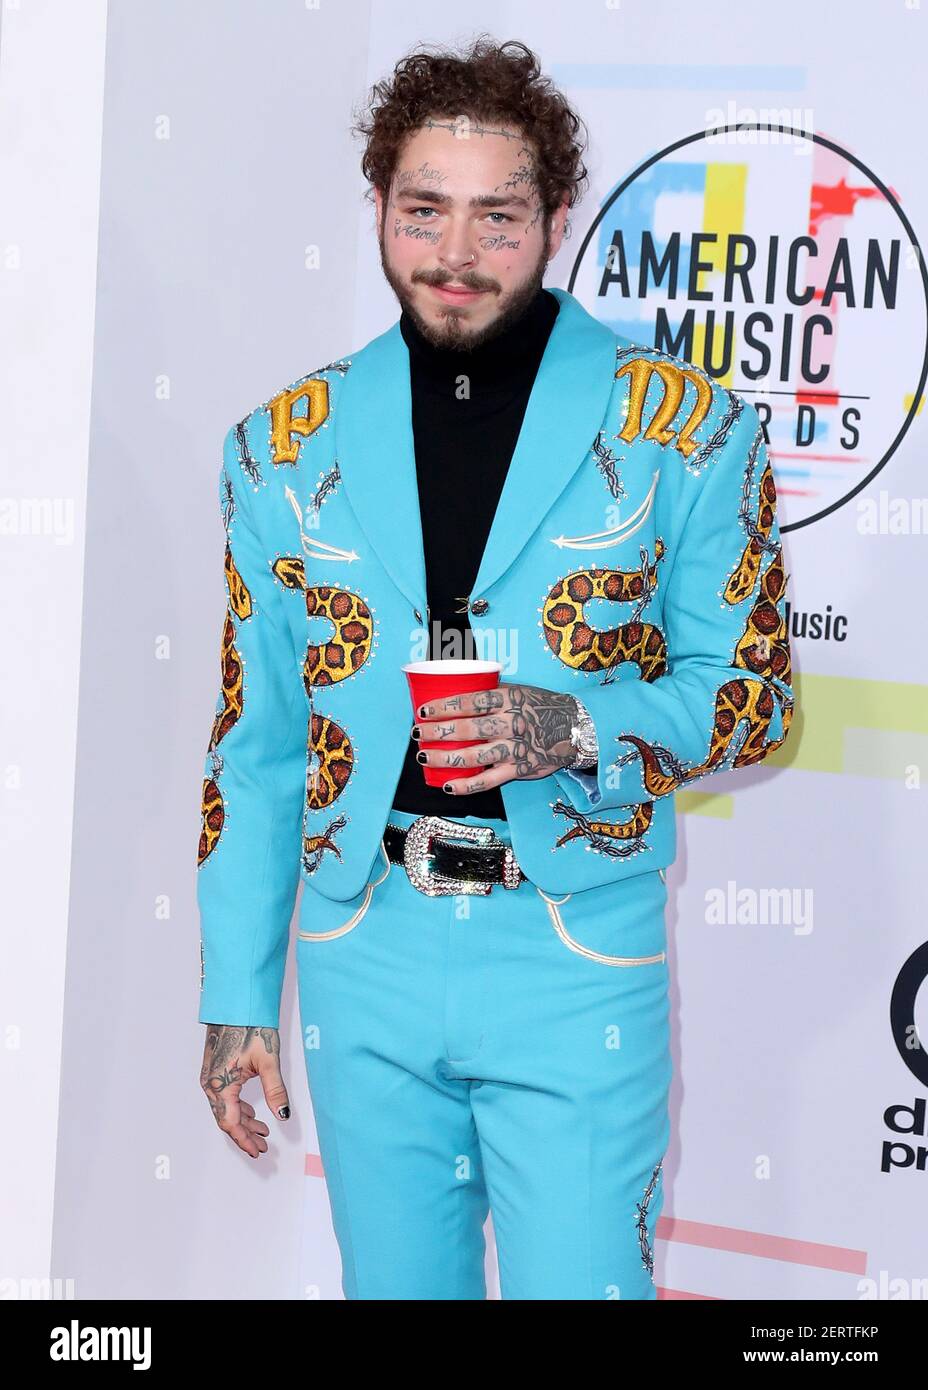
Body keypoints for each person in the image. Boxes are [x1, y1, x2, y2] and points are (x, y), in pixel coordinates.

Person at [195, 36, 794, 1300]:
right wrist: (239, 991)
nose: (454, 254)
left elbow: (753, 698)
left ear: (558, 220)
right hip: (363, 953)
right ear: (377, 209)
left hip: (574, 952)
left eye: (496, 217)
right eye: (422, 211)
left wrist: (572, 725)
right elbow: (256, 742)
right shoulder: (278, 448)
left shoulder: (687, 427)